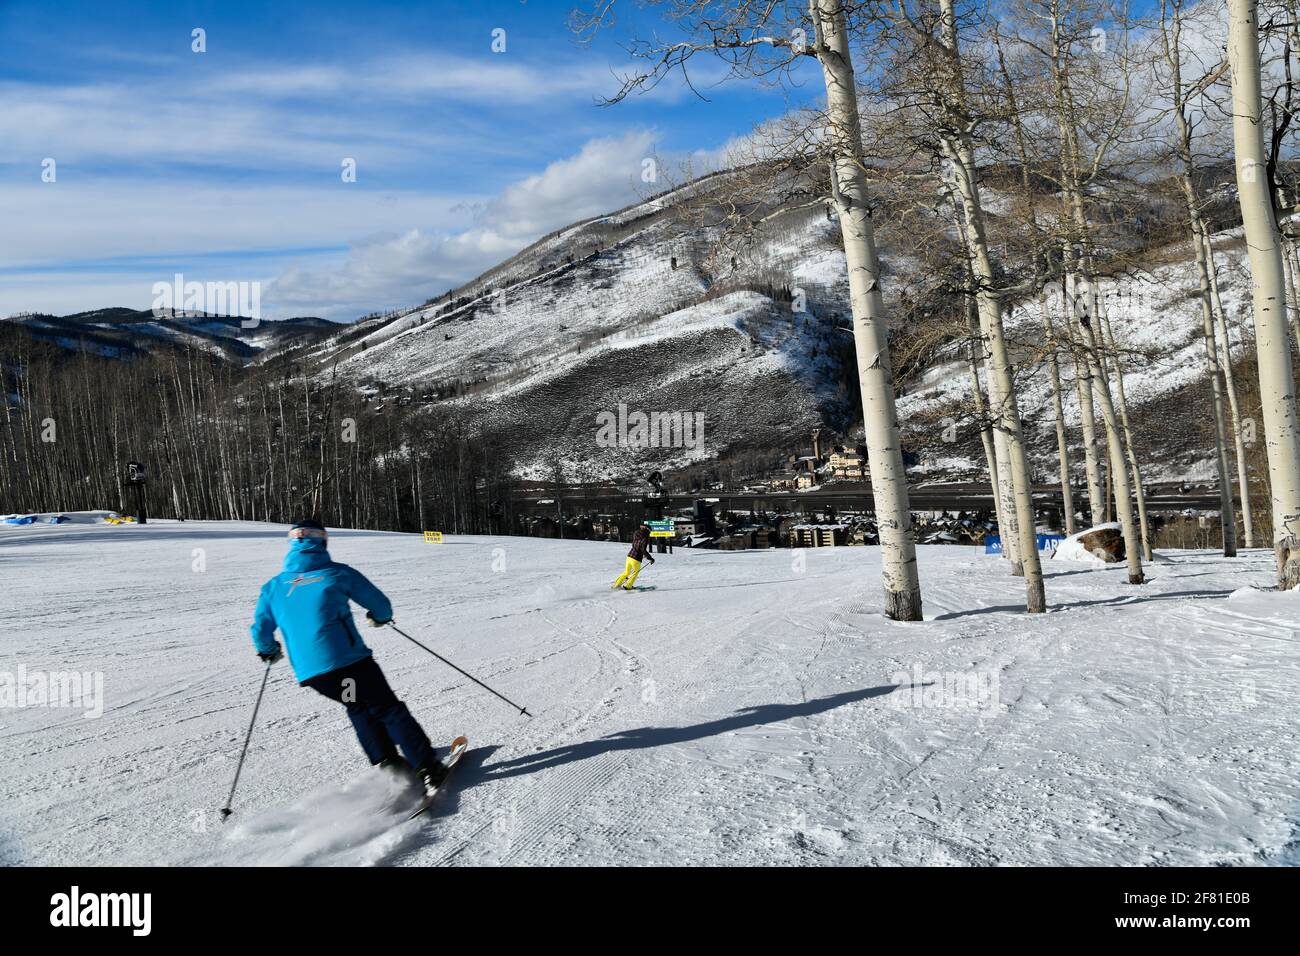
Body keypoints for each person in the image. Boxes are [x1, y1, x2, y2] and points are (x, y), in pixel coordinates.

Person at [250, 519, 448, 794]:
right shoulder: (337, 574)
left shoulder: (273, 586)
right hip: (350, 662)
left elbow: (260, 628)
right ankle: (427, 767)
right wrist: (380, 617)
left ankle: (389, 765)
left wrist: (269, 651)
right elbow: (380, 604)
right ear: (323, 542)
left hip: (315, 674)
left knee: (357, 706)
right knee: (387, 708)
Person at [612, 521, 655, 590]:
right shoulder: (645, 538)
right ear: (648, 530)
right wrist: (650, 558)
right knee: (635, 572)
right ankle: (628, 586)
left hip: (629, 556)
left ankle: (616, 585)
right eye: (650, 531)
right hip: (636, 558)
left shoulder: (636, 533)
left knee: (626, 572)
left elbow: (636, 545)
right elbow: (643, 549)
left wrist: (641, 553)